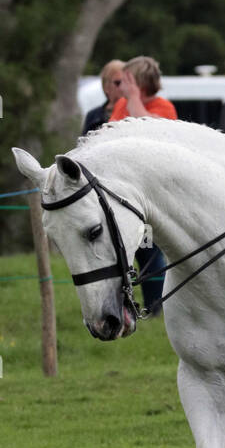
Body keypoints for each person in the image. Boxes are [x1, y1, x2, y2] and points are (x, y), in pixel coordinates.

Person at [108, 55, 176, 315]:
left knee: (150, 254)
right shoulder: (123, 105)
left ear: (136, 83)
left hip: (152, 196)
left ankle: (155, 308)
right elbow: (111, 134)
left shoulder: (164, 108)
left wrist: (134, 97)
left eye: (123, 80)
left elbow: (148, 131)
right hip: (123, 192)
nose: (118, 86)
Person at [83, 59, 124, 135]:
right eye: (118, 83)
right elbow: (84, 145)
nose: (123, 86)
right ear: (106, 86)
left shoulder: (134, 111)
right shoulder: (94, 115)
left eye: (127, 81)